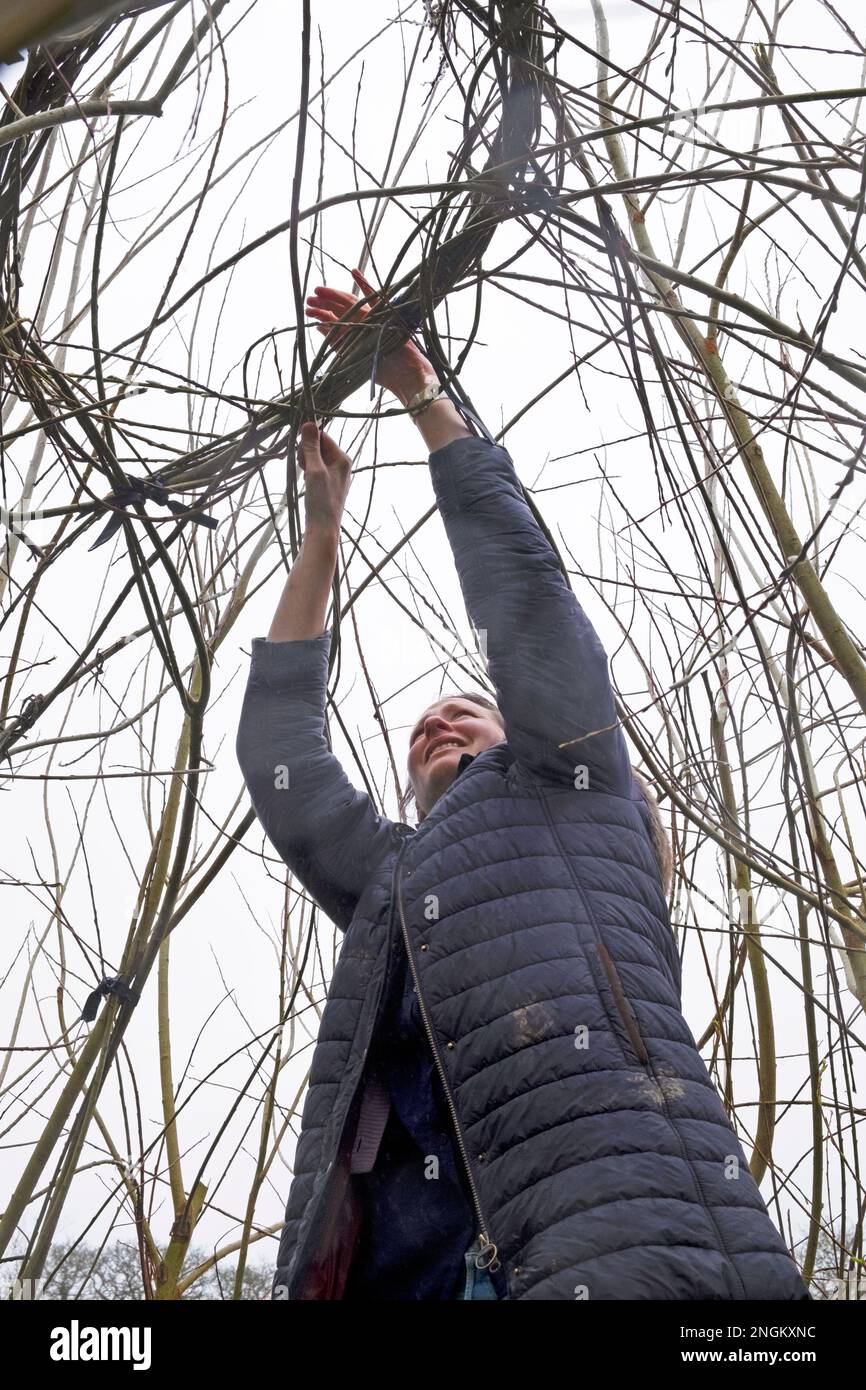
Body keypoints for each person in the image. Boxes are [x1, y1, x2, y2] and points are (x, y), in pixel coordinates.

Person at [235, 270, 810, 1301]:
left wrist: (419, 391)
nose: (435, 719)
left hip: (616, 1256)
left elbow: (526, 598)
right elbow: (280, 754)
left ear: (525, 734)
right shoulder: (390, 885)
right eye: (419, 725)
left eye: (470, 709)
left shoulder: (574, 790)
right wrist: (319, 537)